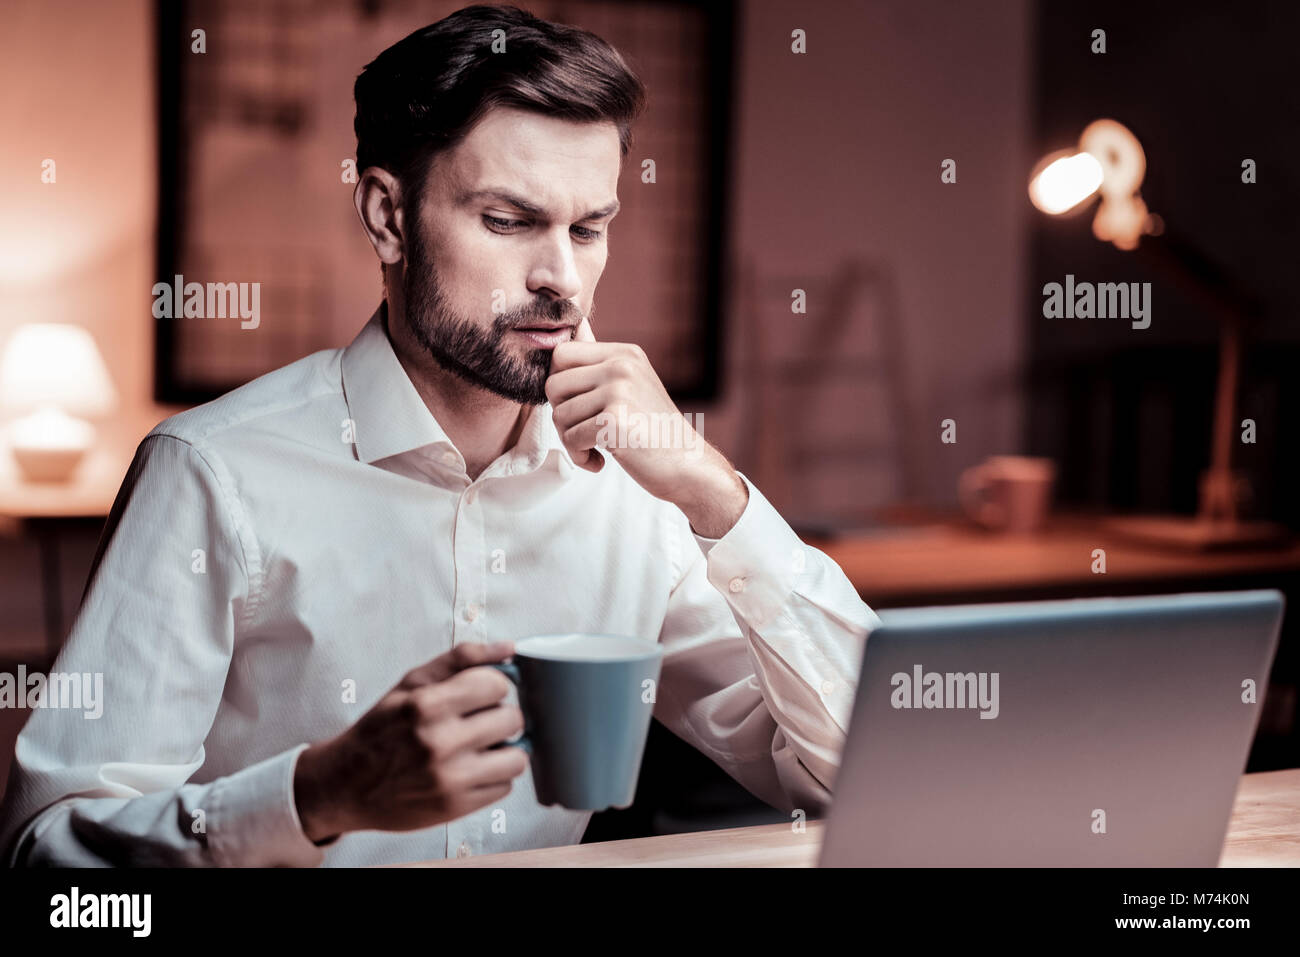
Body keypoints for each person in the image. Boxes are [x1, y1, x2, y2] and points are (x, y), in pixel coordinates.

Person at [0, 3, 881, 867]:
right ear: (387, 216)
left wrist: (709, 490)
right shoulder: (211, 473)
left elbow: (859, 773)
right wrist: (314, 797)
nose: (562, 279)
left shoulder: (636, 492)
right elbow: (46, 860)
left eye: (589, 228)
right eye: (508, 221)